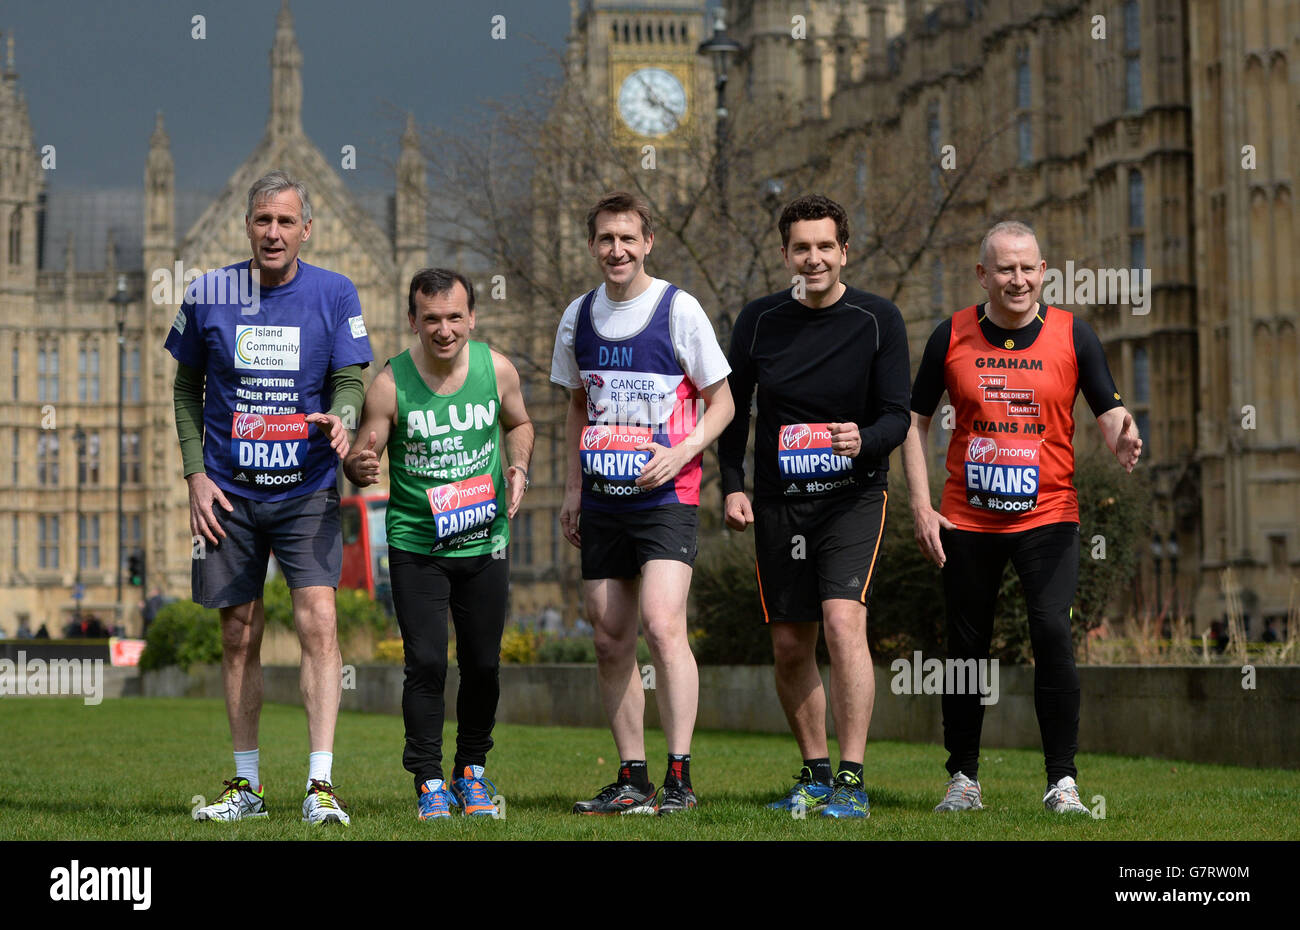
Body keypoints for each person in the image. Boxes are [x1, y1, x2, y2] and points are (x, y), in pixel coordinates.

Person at [901, 220, 1142, 814]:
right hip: (967, 519)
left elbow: (1108, 408)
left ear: (1043, 272)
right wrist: (921, 504)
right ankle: (963, 781)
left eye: (1028, 268)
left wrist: (1123, 433)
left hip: (1048, 515)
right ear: (983, 275)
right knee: (966, 648)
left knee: (1053, 633)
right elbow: (915, 420)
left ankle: (1062, 782)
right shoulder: (950, 335)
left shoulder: (1073, 335)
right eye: (1004, 269)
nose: (1017, 279)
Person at [165, 170, 372, 825]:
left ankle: (319, 786)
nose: (274, 232)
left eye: (286, 221)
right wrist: (196, 474)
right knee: (237, 634)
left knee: (319, 624)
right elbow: (184, 391)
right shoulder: (209, 294)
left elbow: (348, 379)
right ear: (247, 226)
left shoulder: (334, 292)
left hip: (308, 486)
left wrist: (343, 414)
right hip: (228, 495)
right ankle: (247, 785)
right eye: (263, 221)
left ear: (305, 229)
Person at [718, 194, 910, 819]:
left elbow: (896, 417)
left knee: (842, 620)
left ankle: (852, 781)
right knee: (791, 645)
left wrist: (865, 439)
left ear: (844, 251)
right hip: (780, 503)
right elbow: (732, 408)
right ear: (785, 255)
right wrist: (732, 483)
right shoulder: (758, 322)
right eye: (802, 248)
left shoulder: (878, 318)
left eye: (826, 246)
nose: (814, 258)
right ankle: (814, 774)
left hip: (854, 497)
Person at [551, 191, 734, 814]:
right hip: (604, 500)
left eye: (628, 238)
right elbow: (578, 403)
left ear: (648, 242)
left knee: (661, 622)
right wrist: (574, 488)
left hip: (668, 497)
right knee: (608, 635)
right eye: (606, 238)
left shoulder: (679, 310)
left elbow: (725, 403)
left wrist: (682, 454)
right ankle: (632, 776)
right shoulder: (578, 317)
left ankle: (679, 777)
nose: (617, 249)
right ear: (593, 244)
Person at [344, 268, 533, 820]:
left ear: (472, 317)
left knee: (482, 664)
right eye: (431, 319)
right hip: (417, 545)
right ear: (413, 321)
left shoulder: (496, 370)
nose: (444, 330)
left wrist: (517, 465)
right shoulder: (389, 383)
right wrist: (361, 462)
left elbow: (520, 422)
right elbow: (364, 454)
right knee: (426, 663)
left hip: (485, 543)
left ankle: (471, 769)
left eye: (455, 317)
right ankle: (428, 779)